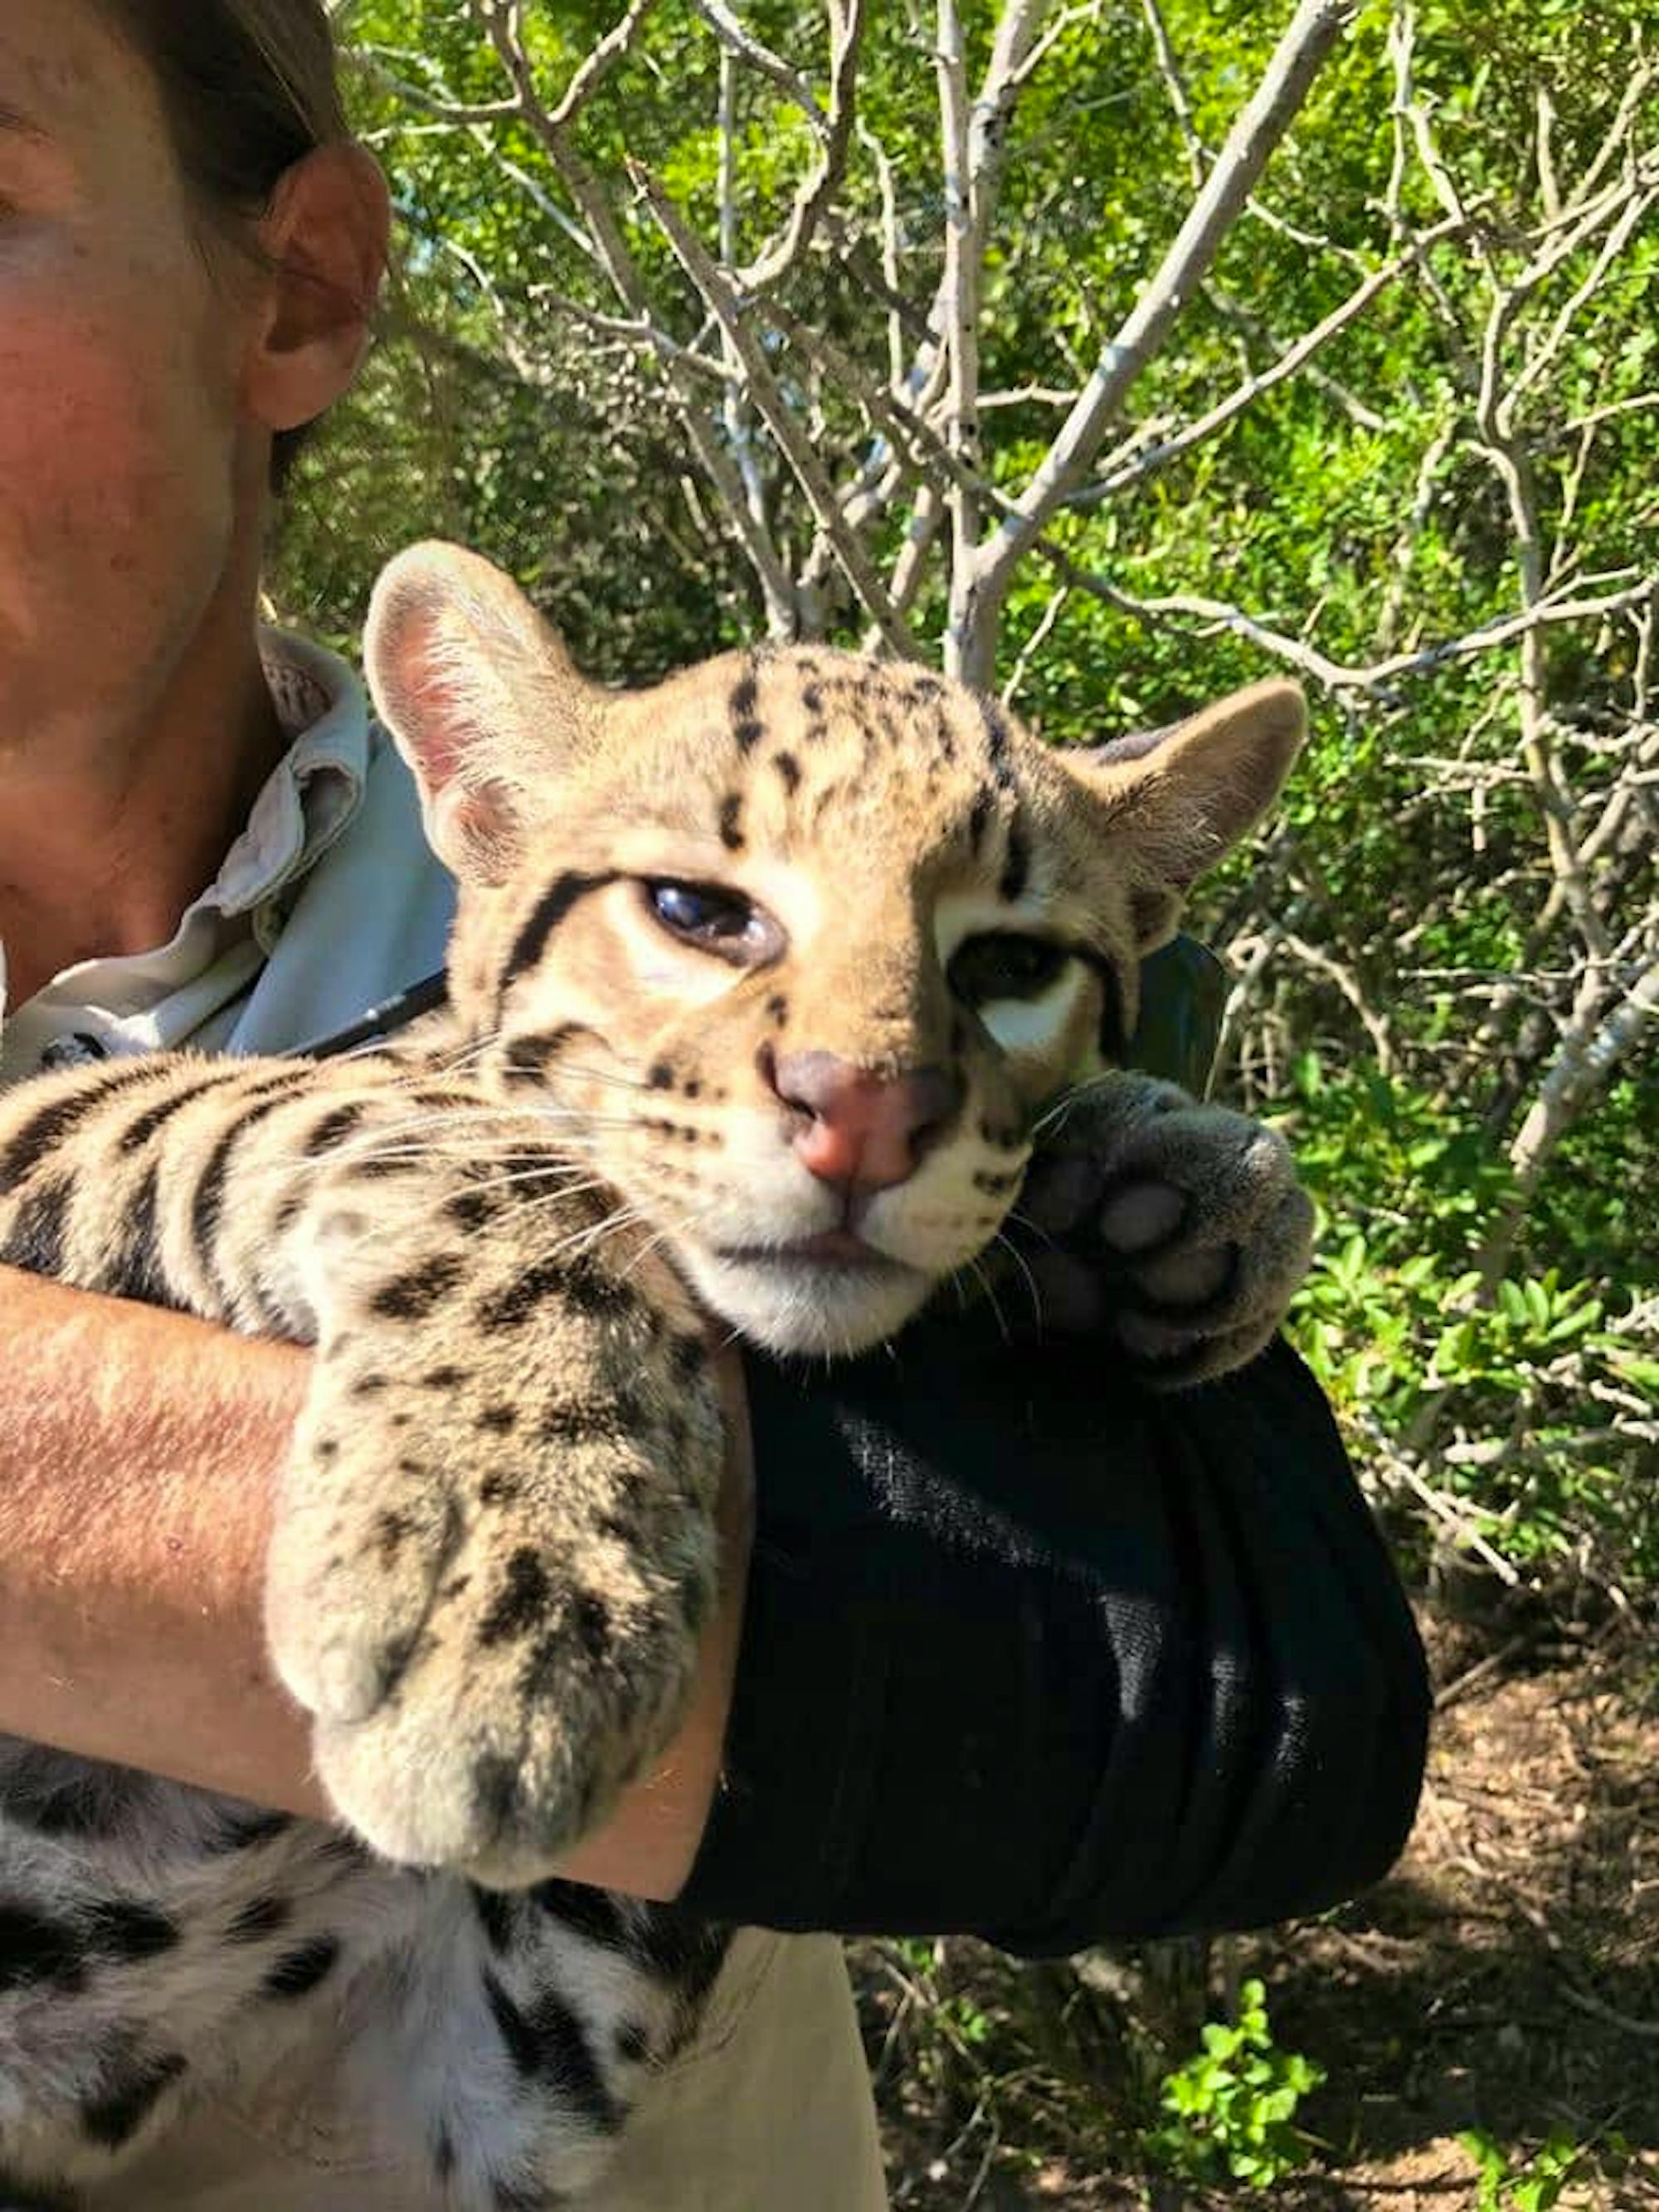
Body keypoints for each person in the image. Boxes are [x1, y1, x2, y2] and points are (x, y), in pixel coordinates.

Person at [0, 3, 1428, 2206]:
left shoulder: (556, 855)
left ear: (295, 291)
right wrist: (478, 1226)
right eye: (706, 913)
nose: (852, 1072)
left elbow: (1252, 1700)